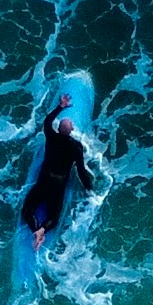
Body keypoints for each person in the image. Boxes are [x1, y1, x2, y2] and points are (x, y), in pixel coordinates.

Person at [15, 73, 97, 274]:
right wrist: (90, 189)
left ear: (59, 128)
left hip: (43, 180)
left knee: (28, 209)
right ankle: (43, 230)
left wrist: (61, 106)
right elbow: (80, 170)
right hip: (59, 185)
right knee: (54, 215)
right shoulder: (76, 147)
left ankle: (35, 229)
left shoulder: (51, 137)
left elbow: (47, 121)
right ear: (71, 131)